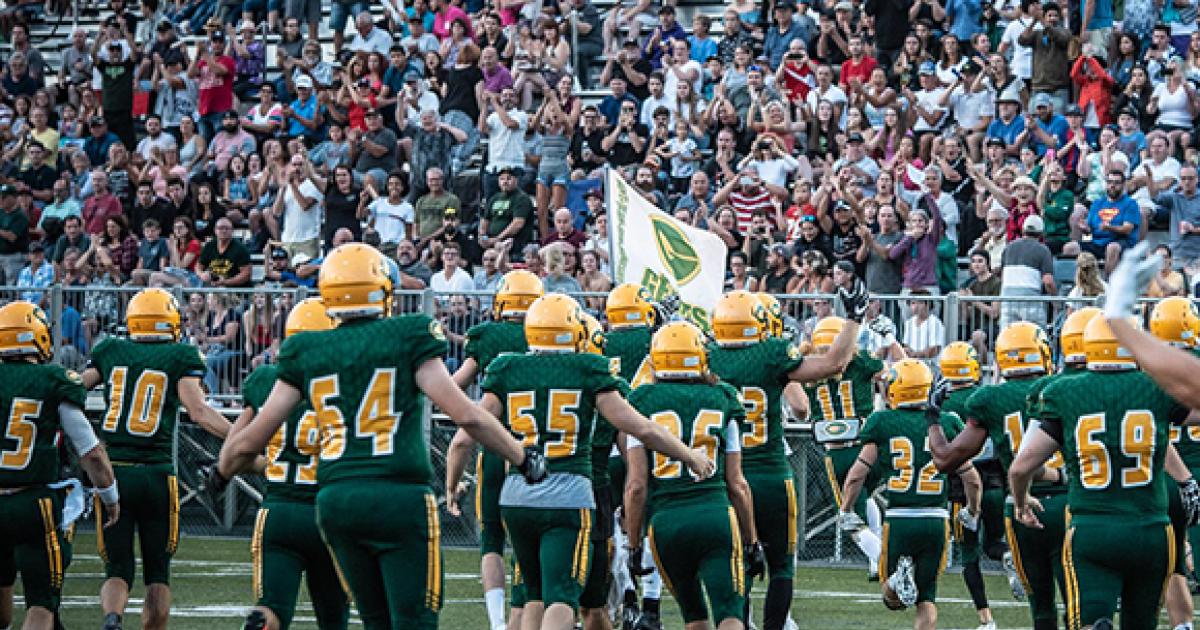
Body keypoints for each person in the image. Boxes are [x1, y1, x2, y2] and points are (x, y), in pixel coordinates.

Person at [217, 243, 547, 629]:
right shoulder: (406, 334)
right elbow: (467, 416)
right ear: (382, 290)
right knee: (413, 621)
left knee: (376, 621)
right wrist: (523, 457)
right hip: (398, 496)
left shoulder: (306, 349)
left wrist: (220, 474)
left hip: (336, 502)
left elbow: (249, 441)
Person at [478, 293, 714, 630]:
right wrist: (689, 455)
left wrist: (509, 456)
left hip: (516, 494)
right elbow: (641, 428)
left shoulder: (508, 366)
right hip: (569, 493)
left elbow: (472, 425)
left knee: (533, 594)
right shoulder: (589, 370)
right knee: (563, 596)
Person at [1009, 315, 1192, 630]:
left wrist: (1022, 499)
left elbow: (1021, 466)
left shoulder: (1063, 392)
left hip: (1092, 528)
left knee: (1086, 620)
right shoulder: (1155, 388)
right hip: (1151, 528)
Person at [708, 288, 865, 630]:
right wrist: (854, 318)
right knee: (781, 566)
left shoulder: (707, 358)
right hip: (771, 473)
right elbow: (833, 364)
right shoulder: (773, 352)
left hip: (725, 479)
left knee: (739, 563)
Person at [80, 289, 231, 630]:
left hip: (113, 474)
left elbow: (74, 388)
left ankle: (112, 619)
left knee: (117, 568)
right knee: (157, 574)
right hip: (158, 474)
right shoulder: (180, 354)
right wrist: (239, 439)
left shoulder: (109, 349)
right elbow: (199, 412)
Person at [926, 322, 1071, 629]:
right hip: (1069, 502)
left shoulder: (990, 400)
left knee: (1042, 609)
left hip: (1020, 505)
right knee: (1078, 602)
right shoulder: (1064, 387)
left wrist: (932, 418)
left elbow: (945, 459)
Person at [624, 321, 765, 630]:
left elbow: (636, 487)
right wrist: (752, 541)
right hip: (714, 516)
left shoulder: (641, 401)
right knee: (729, 611)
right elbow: (737, 483)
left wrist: (633, 545)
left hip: (666, 524)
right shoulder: (723, 397)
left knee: (694, 618)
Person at [226, 298, 350, 630]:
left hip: (278, 510)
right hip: (330, 511)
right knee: (334, 617)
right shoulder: (350, 380)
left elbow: (234, 451)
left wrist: (269, 464)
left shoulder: (268, 379)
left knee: (272, 609)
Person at [0, 301, 120, 630]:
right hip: (31, 503)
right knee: (41, 604)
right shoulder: (52, 379)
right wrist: (110, 497)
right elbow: (91, 451)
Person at [839, 359, 982, 624]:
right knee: (926, 598)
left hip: (900, 518)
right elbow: (971, 478)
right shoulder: (946, 422)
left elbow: (858, 473)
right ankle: (902, 580)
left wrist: (846, 508)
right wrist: (972, 511)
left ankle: (896, 580)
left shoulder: (882, 421)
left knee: (890, 599)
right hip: (937, 520)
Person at [443, 270, 543, 630]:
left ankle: (500, 624)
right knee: (532, 538)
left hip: (495, 449)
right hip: (541, 452)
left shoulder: (486, 337)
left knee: (492, 538)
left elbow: (452, 388)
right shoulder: (544, 338)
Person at [804, 316, 888, 580]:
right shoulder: (861, 362)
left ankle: (885, 560)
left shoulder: (808, 370)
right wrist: (889, 341)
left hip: (838, 452)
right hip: (868, 449)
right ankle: (878, 564)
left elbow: (799, 411)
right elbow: (891, 373)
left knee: (849, 516)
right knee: (866, 498)